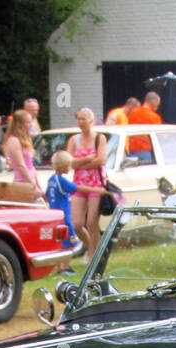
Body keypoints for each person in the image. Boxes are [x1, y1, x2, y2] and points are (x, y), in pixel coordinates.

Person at [68, 107, 109, 258]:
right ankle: (89, 246)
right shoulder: (74, 139)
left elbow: (101, 160)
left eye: (84, 119)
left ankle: (94, 256)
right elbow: (70, 162)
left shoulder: (100, 138)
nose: (80, 122)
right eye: (78, 119)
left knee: (92, 222)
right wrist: (87, 159)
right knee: (77, 223)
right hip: (79, 184)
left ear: (91, 121)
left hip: (96, 184)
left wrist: (81, 164)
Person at [45, 150, 80, 269]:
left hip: (54, 217)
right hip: (64, 216)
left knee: (59, 243)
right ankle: (66, 267)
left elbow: (47, 195)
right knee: (70, 243)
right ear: (64, 166)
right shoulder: (61, 180)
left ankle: (60, 267)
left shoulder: (51, 180)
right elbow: (74, 188)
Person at [1, 109, 45, 201]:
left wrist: (38, 185)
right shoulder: (14, 140)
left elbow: (31, 165)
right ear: (19, 124)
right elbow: (21, 165)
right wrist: (32, 184)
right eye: (28, 123)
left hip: (30, 180)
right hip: (22, 183)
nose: (30, 125)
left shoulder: (25, 140)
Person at [127, 92, 163, 157]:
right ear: (153, 102)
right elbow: (159, 136)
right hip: (146, 151)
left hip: (132, 151)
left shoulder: (133, 113)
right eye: (158, 104)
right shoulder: (154, 117)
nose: (158, 106)